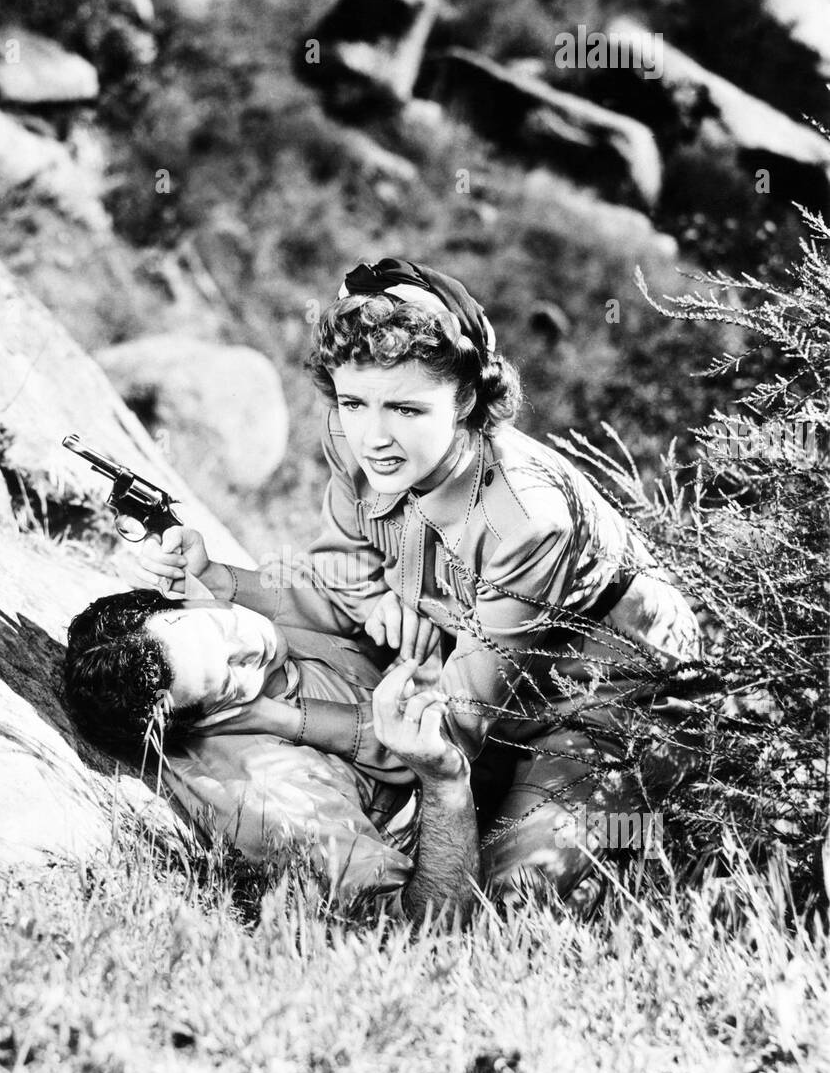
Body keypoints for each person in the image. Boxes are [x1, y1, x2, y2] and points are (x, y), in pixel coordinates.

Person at [133, 257, 703, 920]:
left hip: (609, 700)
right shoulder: (359, 439)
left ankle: (671, 837)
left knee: (507, 907)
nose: (374, 436)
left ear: (464, 401)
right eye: (353, 402)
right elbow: (333, 598)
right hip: (478, 661)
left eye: (405, 407)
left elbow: (445, 738)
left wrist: (286, 720)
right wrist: (216, 578)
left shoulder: (524, 520)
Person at [63, 583, 421, 905]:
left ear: (189, 602)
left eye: (221, 629)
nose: (249, 644)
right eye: (230, 677)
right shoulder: (271, 799)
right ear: (203, 721)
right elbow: (422, 920)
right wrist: (447, 787)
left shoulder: (237, 624)